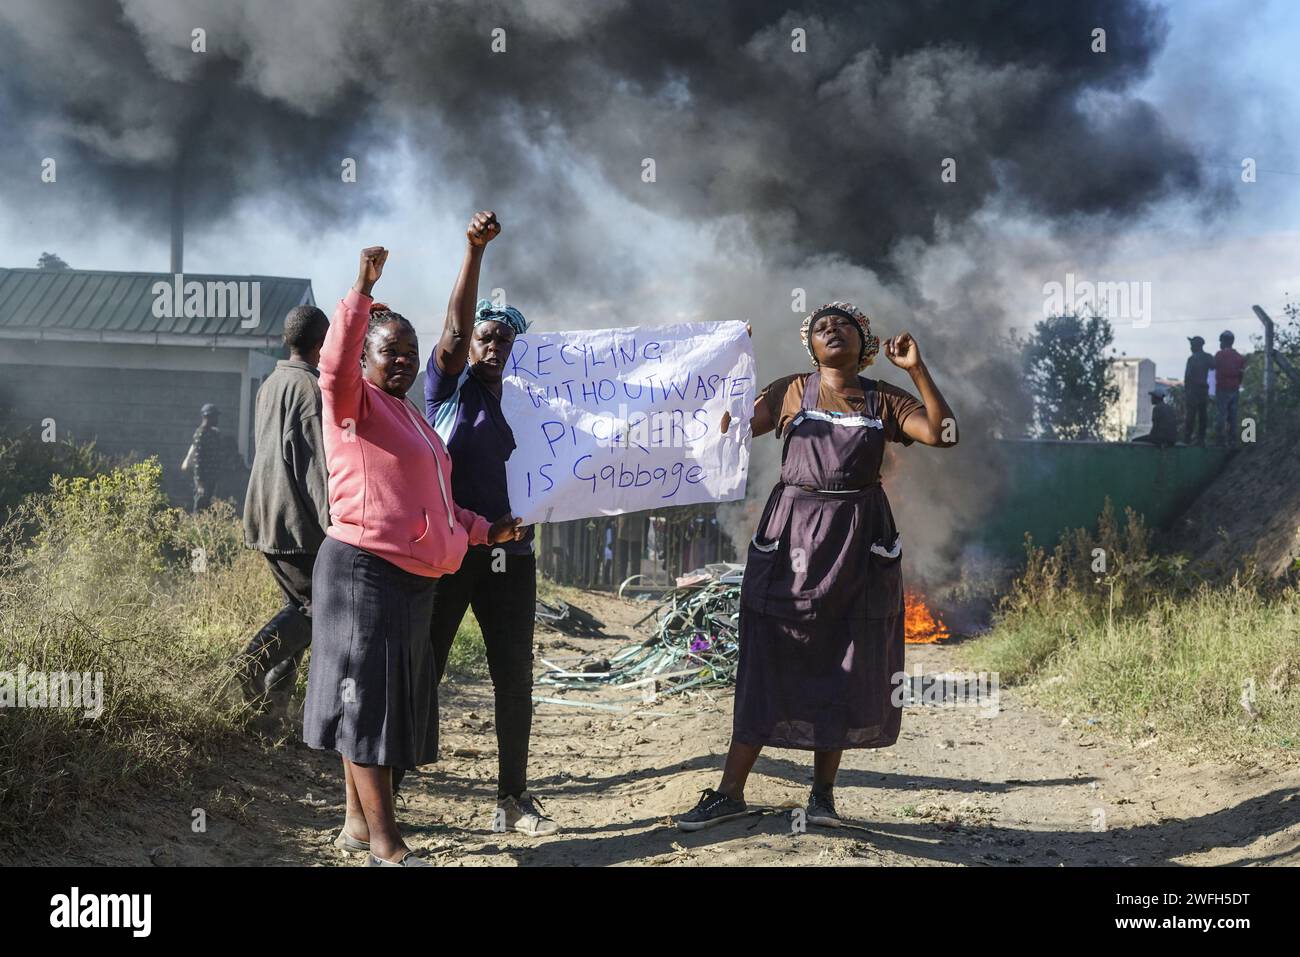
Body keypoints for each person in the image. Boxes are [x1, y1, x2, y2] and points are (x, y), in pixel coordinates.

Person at [676, 302, 957, 831]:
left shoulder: (883, 398)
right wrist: (732, 364)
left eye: (842, 325)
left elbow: (944, 434)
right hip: (790, 537)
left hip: (858, 541)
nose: (830, 330)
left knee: (844, 659)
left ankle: (822, 799)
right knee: (769, 654)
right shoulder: (791, 391)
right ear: (811, 345)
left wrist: (916, 370)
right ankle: (729, 793)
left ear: (863, 343)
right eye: (821, 326)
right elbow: (732, 427)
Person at [302, 246, 521, 866]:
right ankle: (386, 845)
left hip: (410, 580)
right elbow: (334, 364)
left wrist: (486, 531)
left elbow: (439, 506)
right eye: (387, 351)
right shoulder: (352, 404)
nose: (401, 360)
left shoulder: (414, 418)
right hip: (362, 572)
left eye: (408, 350)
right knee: (367, 702)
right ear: (366, 358)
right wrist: (360, 292)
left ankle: (353, 824)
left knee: (373, 702)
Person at [422, 211, 557, 836]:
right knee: (427, 665)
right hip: (454, 551)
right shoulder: (447, 391)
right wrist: (474, 252)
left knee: (512, 674)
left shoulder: (532, 401)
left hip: (512, 558)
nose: (492, 346)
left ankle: (512, 798)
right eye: (485, 337)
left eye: (504, 339)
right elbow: (453, 327)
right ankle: (388, 793)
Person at [237, 305, 332, 714]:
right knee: (318, 608)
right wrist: (335, 526)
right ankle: (247, 665)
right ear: (323, 344)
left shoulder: (272, 382)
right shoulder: (312, 390)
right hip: (298, 522)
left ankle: (272, 715)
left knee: (297, 612)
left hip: (266, 512)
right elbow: (316, 468)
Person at [184, 403, 234, 511]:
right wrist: (199, 483)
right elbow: (198, 460)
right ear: (207, 417)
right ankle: (198, 526)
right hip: (203, 479)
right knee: (200, 505)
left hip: (213, 477)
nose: (217, 420)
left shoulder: (215, 433)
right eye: (214, 417)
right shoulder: (200, 434)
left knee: (210, 508)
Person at [1213, 330, 1247, 446]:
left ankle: (1220, 441)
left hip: (1222, 388)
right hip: (1234, 389)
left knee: (1221, 414)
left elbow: (1213, 371)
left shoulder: (1219, 355)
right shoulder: (1239, 358)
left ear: (1223, 341)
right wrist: (1237, 384)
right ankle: (1232, 440)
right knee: (1233, 415)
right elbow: (1241, 374)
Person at [1182, 336, 1213, 446]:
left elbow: (1187, 377)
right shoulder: (1208, 357)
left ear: (1197, 345)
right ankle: (1200, 439)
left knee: (1191, 415)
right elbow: (1214, 368)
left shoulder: (1192, 359)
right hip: (1202, 390)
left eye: (1192, 345)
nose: (1190, 347)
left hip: (1193, 390)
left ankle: (1188, 438)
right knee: (1202, 415)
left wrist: (1186, 392)